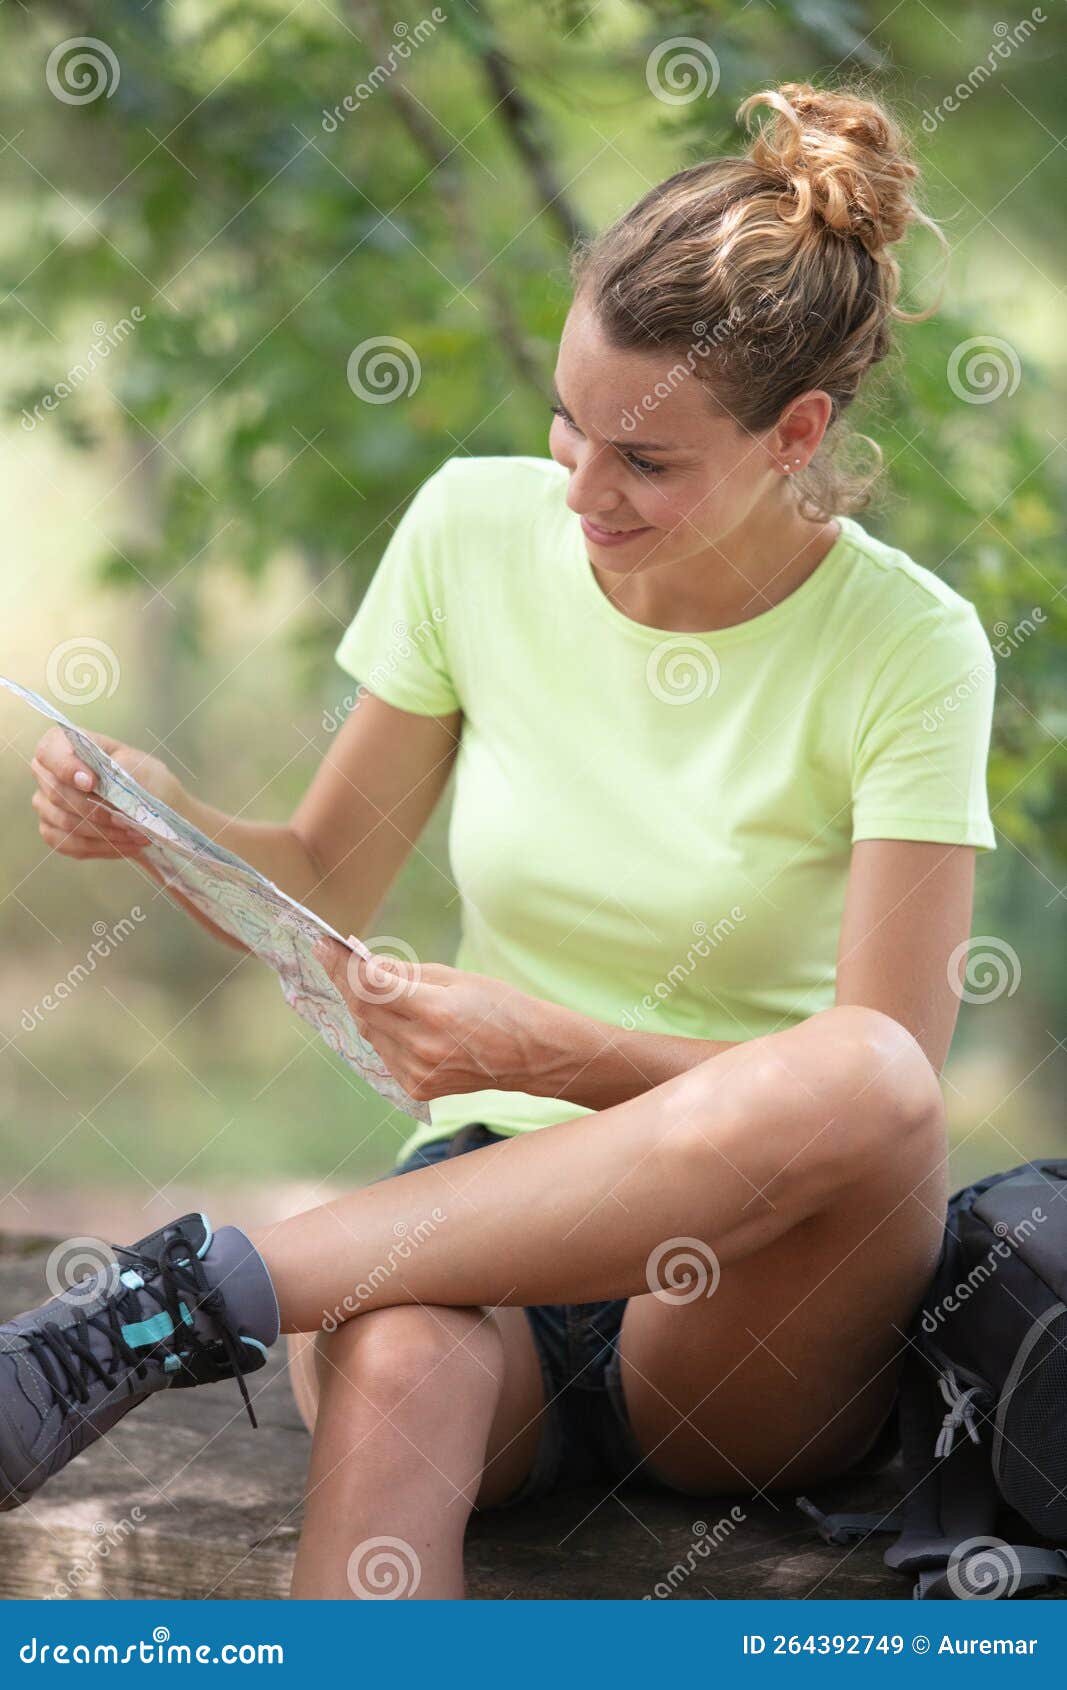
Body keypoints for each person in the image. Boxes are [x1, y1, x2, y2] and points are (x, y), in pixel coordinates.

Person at [4, 82, 996, 1601]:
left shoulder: (909, 645)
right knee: (398, 1363)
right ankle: (165, 1337)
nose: (582, 491)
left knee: (863, 1071)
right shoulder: (476, 528)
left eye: (646, 463)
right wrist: (157, 821)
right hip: (489, 1196)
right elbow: (326, 878)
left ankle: (206, 1288)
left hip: (751, 1295)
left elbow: (886, 1106)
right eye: (569, 424)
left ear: (797, 431)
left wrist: (542, 1040)